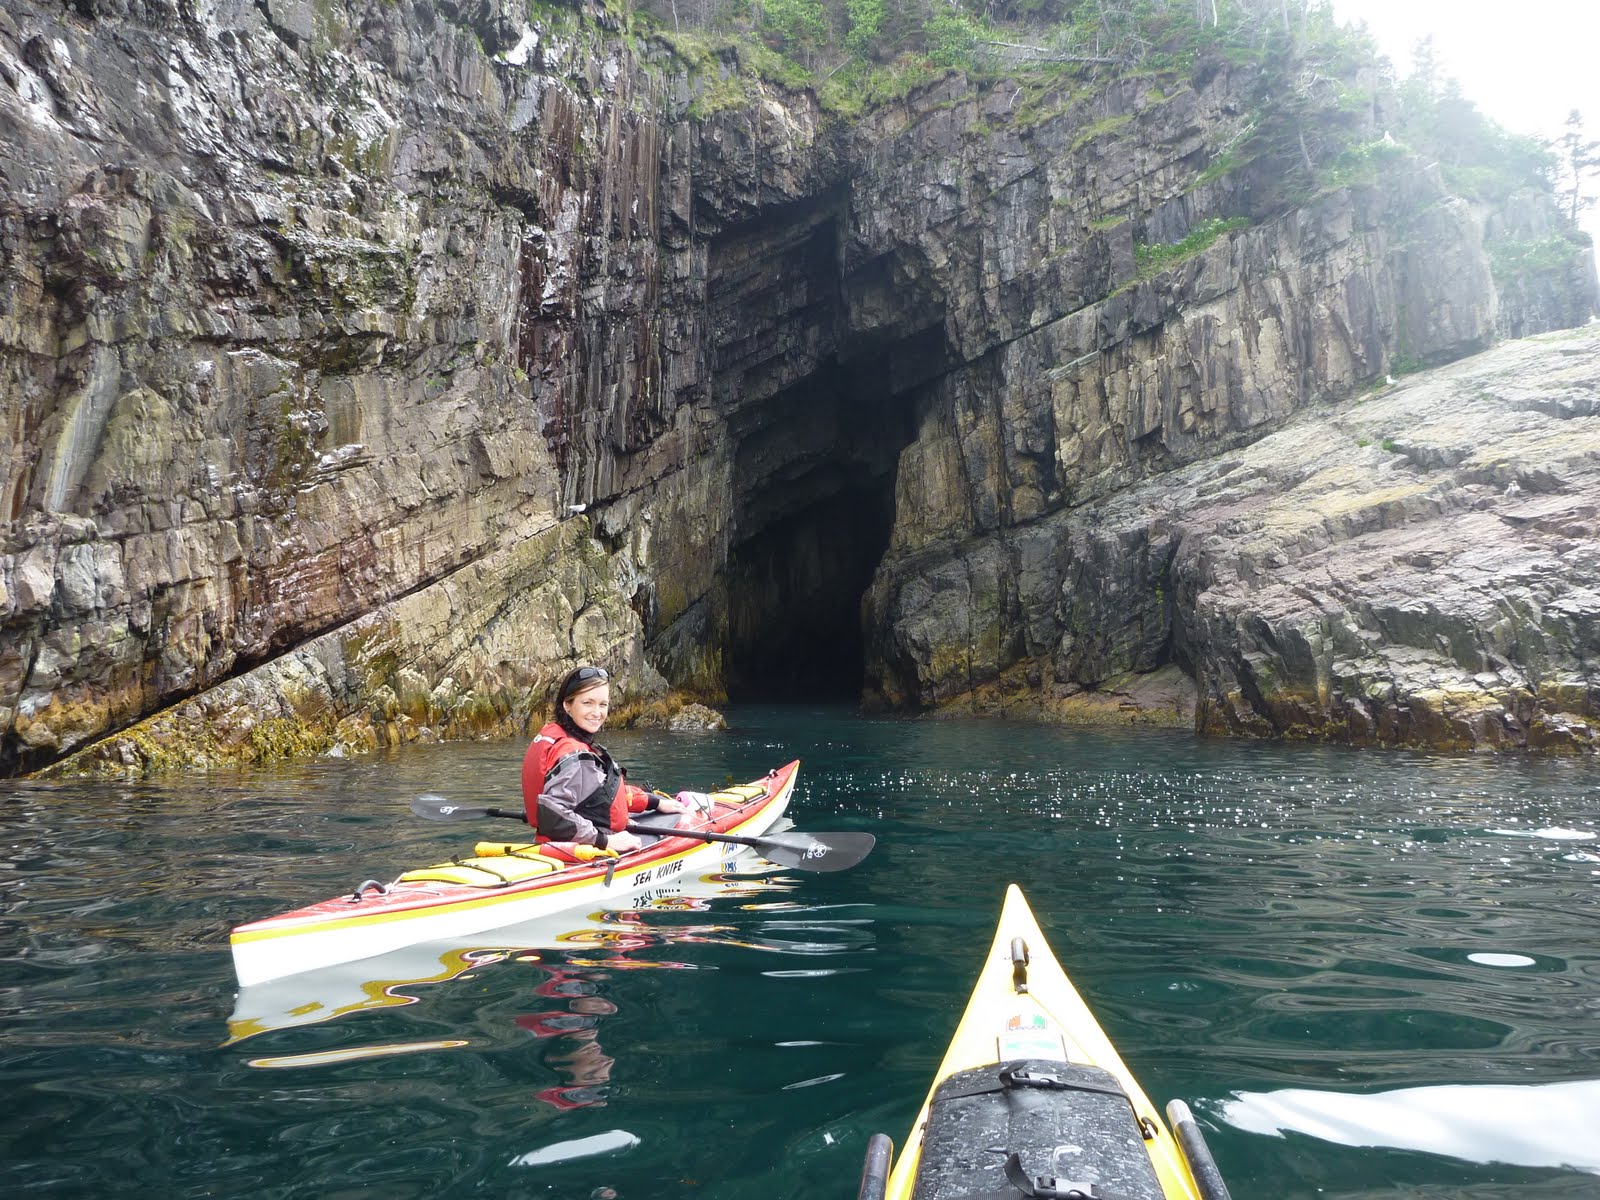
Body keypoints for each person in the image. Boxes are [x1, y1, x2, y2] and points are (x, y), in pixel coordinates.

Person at [521, 665, 684, 854]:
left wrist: (653, 802)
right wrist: (605, 841)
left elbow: (600, 794)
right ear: (567, 705)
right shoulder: (572, 753)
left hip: (556, 844)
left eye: (602, 704)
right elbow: (554, 816)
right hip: (580, 852)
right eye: (587, 703)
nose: (597, 712)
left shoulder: (559, 737)